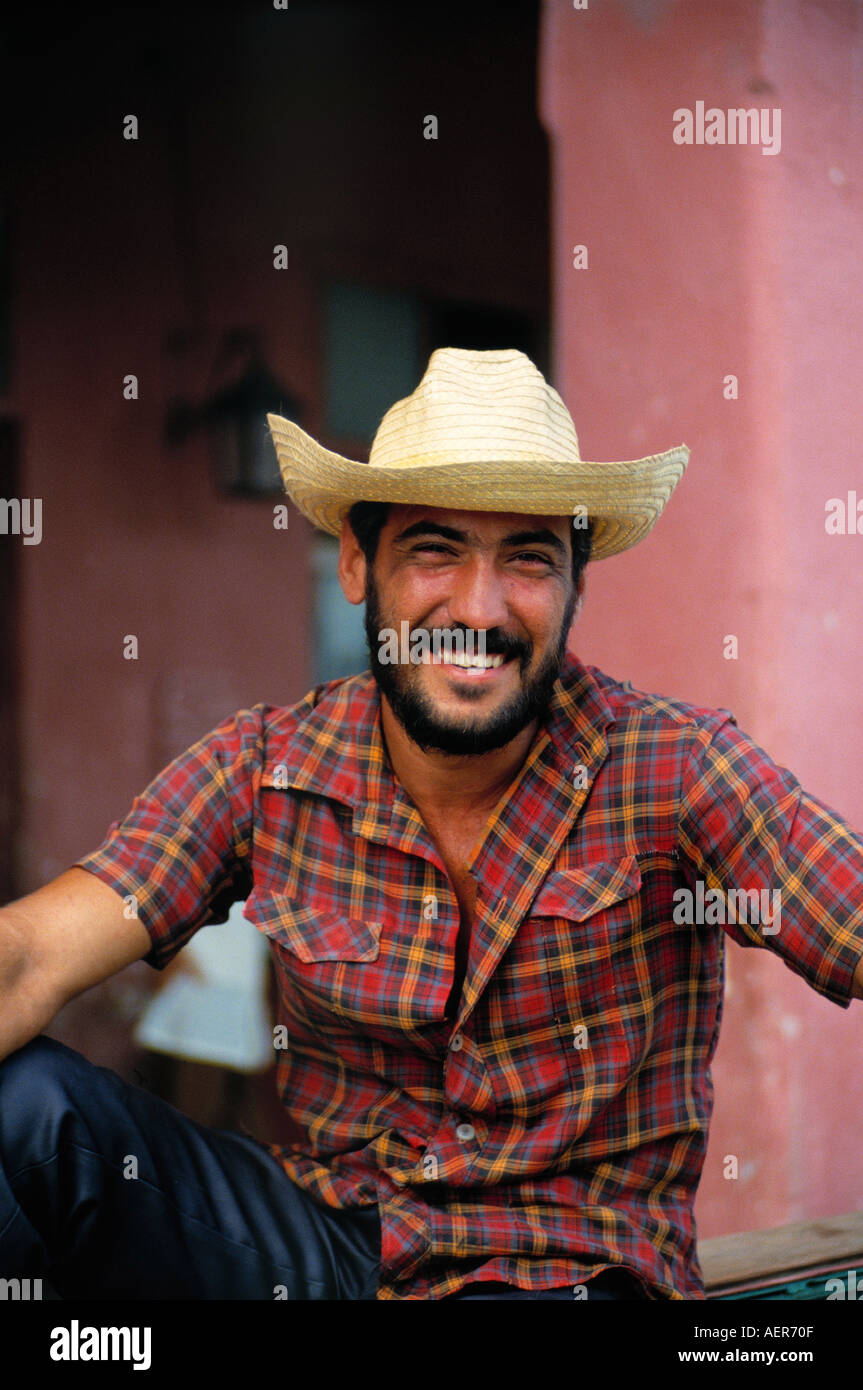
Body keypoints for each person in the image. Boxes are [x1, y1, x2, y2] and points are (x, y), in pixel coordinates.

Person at [1, 346, 862, 1302]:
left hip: (565, 1273)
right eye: (435, 548)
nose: (477, 608)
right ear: (358, 565)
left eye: (528, 557)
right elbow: (30, 954)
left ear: (575, 583)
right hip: (331, 1246)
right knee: (27, 1109)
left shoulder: (676, 769)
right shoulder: (266, 766)